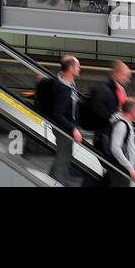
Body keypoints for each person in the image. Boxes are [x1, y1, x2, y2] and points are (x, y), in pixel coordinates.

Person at [49, 55, 83, 184]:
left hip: (68, 127)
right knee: (63, 158)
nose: (79, 69)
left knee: (65, 156)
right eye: (77, 67)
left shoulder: (70, 83)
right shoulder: (63, 89)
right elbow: (57, 115)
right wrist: (73, 129)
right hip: (63, 129)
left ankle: (56, 178)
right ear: (70, 69)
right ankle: (59, 182)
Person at [85, 60, 132, 155]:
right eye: (126, 76)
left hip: (113, 133)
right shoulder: (104, 87)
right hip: (105, 134)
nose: (128, 80)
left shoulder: (120, 89)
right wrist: (111, 117)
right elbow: (96, 105)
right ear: (117, 73)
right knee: (113, 163)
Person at [106, 99, 135, 186]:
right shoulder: (121, 125)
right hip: (121, 171)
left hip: (123, 170)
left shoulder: (126, 124)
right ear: (132, 111)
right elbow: (115, 148)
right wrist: (129, 168)